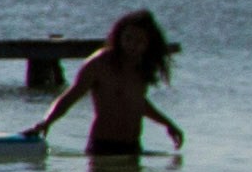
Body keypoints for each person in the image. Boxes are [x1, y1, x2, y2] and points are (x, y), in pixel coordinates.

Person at [24, 8, 185, 161]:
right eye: (128, 38)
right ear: (119, 37)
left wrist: (167, 124)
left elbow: (137, 102)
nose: (132, 45)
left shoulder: (142, 66)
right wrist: (46, 122)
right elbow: (71, 96)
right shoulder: (99, 64)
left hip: (133, 147)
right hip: (103, 148)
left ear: (149, 43)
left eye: (140, 41)